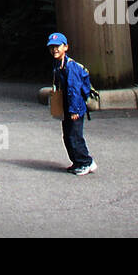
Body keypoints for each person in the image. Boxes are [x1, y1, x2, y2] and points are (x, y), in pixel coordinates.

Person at [47, 32, 96, 175]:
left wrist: (74, 110)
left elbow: (74, 90)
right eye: (52, 47)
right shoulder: (58, 65)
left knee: (75, 136)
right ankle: (77, 162)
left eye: (58, 46)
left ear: (66, 47)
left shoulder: (71, 67)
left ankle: (86, 162)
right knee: (67, 136)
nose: (55, 49)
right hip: (66, 106)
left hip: (76, 107)